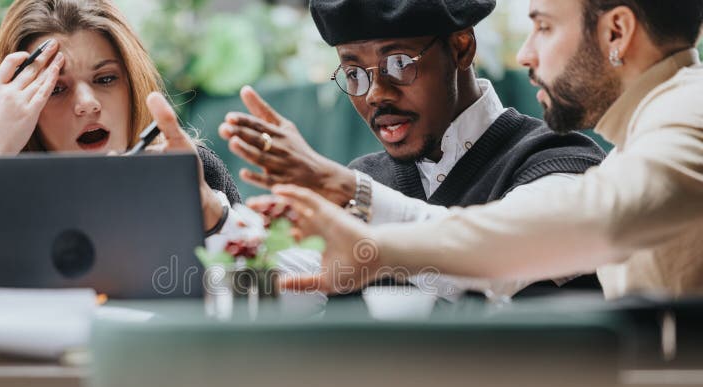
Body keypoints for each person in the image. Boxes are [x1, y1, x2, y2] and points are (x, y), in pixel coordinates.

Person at [273, 0, 703, 299]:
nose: (526, 53)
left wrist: (372, 229)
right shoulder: (642, 135)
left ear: (616, 31)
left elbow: (586, 223)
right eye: (354, 72)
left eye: (544, 26)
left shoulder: (689, 108)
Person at [219, 0, 606, 299]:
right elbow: (293, 280)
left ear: (461, 48)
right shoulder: (364, 178)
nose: (376, 94)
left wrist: (353, 192)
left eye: (399, 63)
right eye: (353, 73)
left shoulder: (563, 165)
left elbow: (501, 258)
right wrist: (208, 211)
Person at [0, 0, 241, 287]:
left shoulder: (194, 171)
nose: (87, 103)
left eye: (106, 78)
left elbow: (258, 296)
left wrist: (213, 218)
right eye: (56, 88)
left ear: (132, 86)